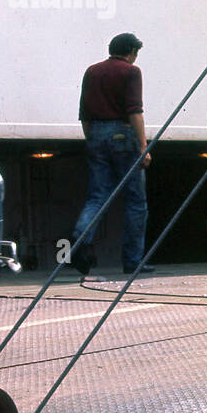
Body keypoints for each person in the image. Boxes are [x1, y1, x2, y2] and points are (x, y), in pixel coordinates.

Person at [70, 32, 152, 276]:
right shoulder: (131, 72)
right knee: (136, 201)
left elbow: (84, 113)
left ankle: (80, 237)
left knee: (98, 195)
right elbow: (134, 111)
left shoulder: (92, 71)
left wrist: (92, 139)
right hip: (123, 134)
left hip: (95, 133)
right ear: (132, 52)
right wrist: (143, 146)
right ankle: (133, 261)